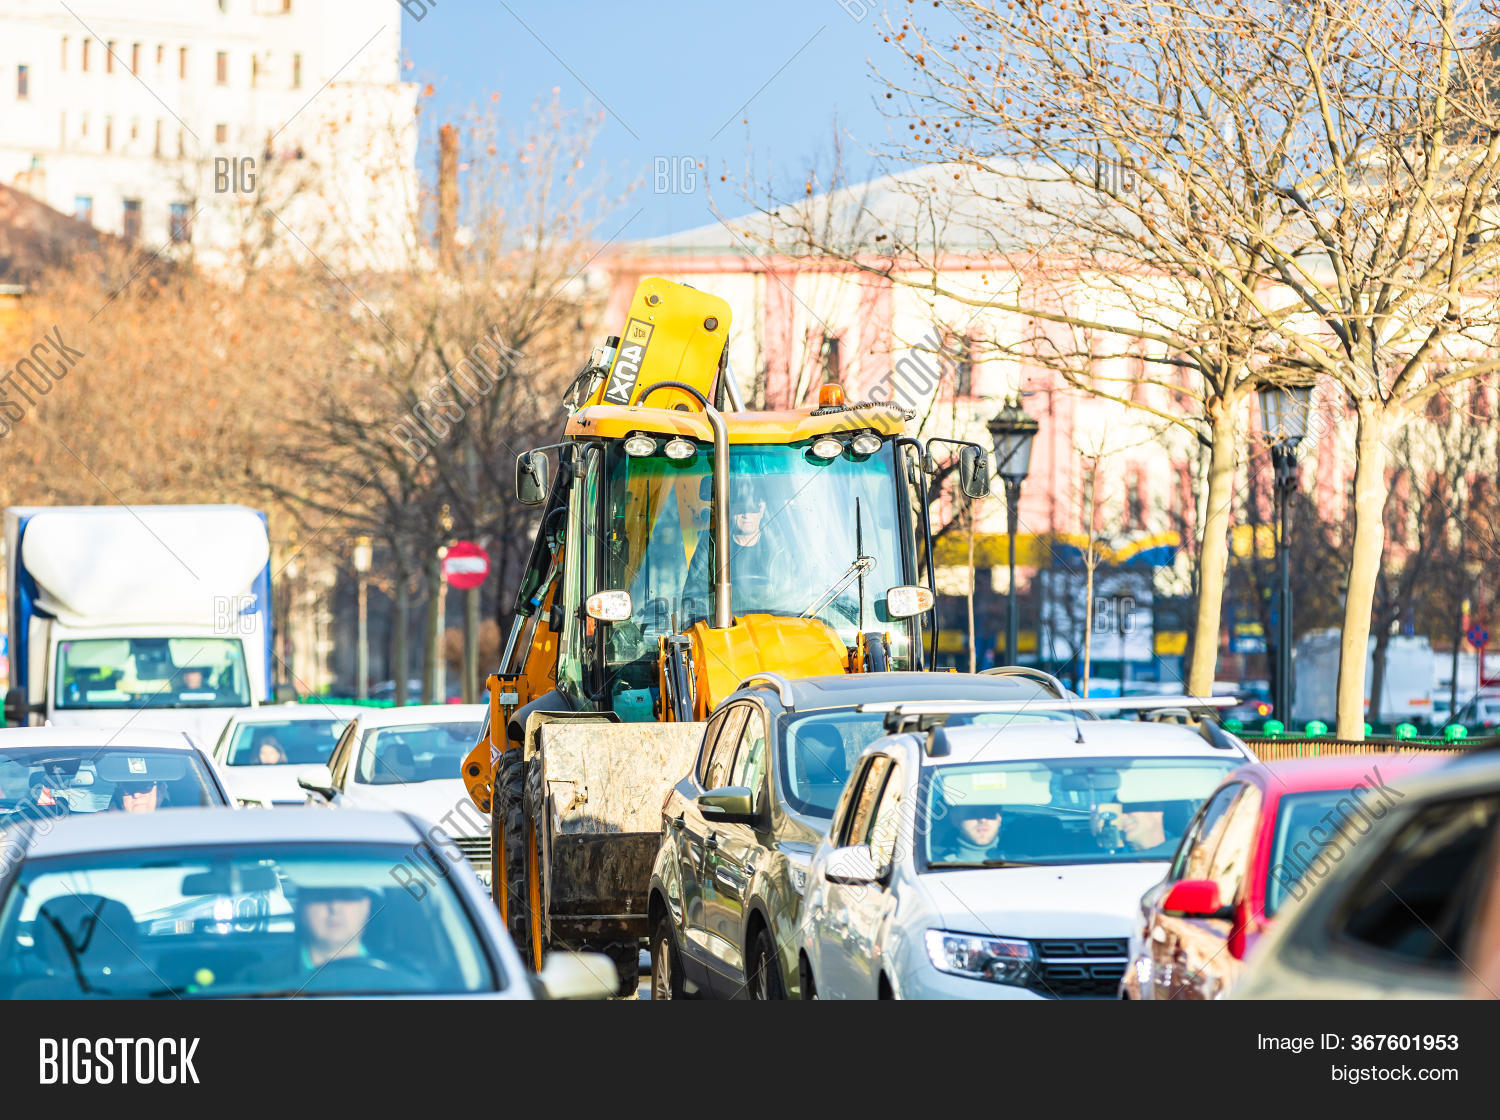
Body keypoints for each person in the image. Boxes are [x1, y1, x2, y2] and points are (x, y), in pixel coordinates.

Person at [682, 477, 783, 614]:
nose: (747, 514)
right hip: (724, 630)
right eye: (741, 507)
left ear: (763, 507)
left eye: (753, 507)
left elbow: (796, 594)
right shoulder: (710, 545)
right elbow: (694, 596)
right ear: (729, 508)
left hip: (776, 627)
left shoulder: (781, 547)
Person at [1090, 802, 1176, 857]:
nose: (1122, 817)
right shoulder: (1113, 859)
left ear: (1157, 809)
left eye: (1129, 808)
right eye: (1118, 812)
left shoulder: (1185, 853)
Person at [938, 803, 1008, 863]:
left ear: (999, 819)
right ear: (955, 819)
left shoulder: (1017, 863)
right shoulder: (936, 862)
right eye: (972, 813)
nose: (983, 820)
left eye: (990, 812)